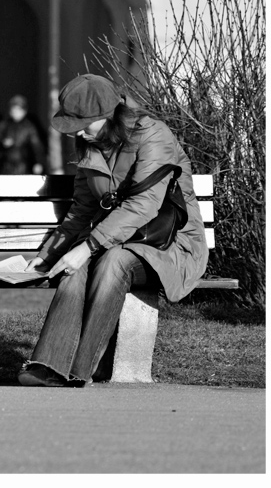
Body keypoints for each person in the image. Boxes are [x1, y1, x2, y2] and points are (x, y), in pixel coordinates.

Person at [17, 74, 209, 387]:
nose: (77, 132)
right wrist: (45, 257)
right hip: (111, 240)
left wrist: (87, 247)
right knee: (72, 268)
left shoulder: (154, 136)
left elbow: (144, 205)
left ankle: (81, 370)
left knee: (112, 262)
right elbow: (81, 211)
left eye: (84, 124)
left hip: (167, 245)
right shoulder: (90, 145)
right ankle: (48, 366)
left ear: (109, 115)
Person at [0, 95, 46, 175]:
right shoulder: (3, 126)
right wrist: (2, 143)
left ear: (24, 111)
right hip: (5, 165)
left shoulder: (29, 127)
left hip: (22, 164)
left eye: (19, 109)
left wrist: (39, 162)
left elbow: (37, 146)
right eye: (14, 109)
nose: (16, 112)